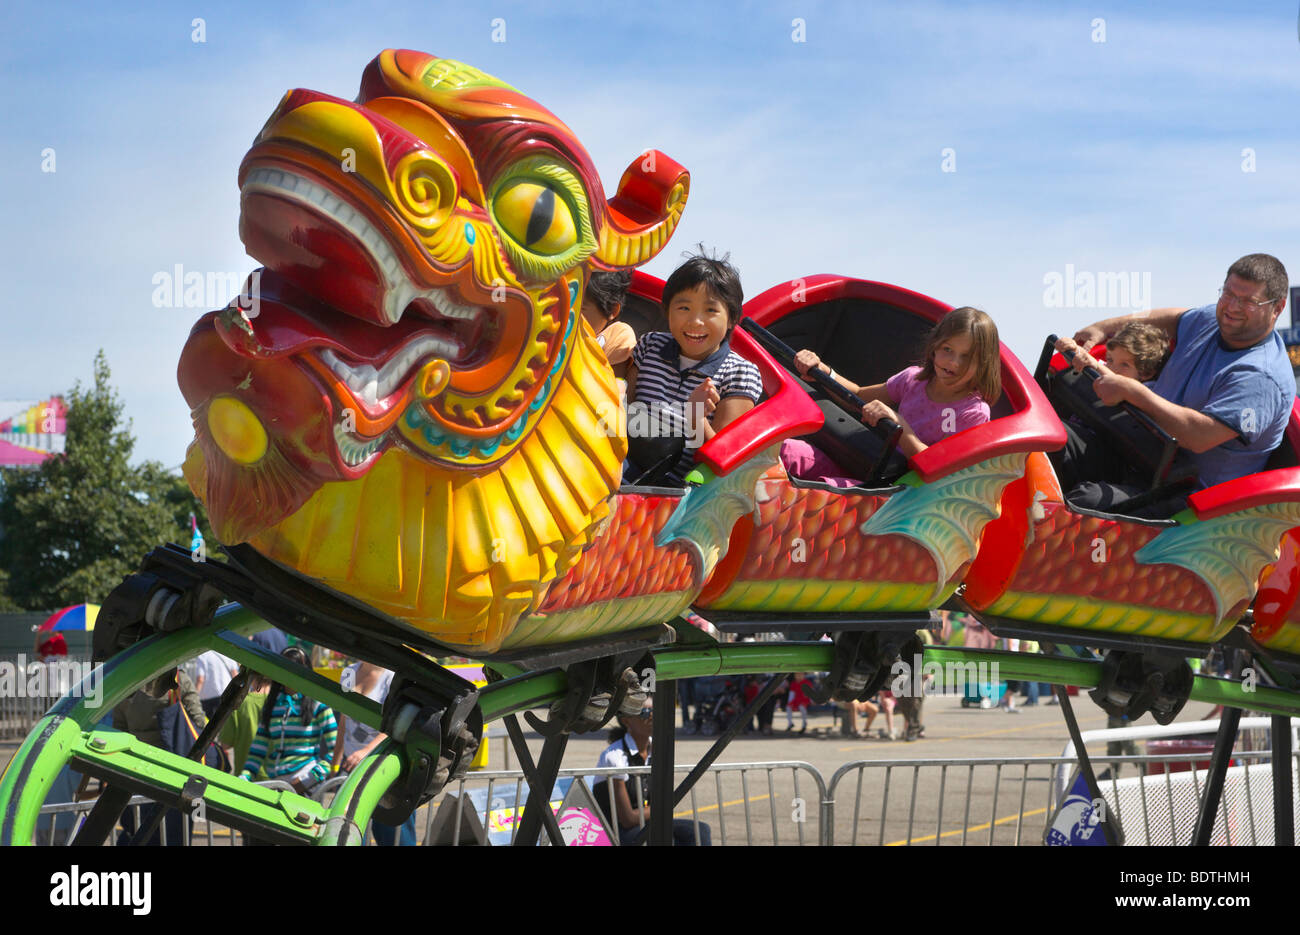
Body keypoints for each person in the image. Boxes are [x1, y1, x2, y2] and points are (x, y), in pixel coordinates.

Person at [1051, 254, 1294, 517]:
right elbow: (1176, 318)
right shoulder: (1212, 319)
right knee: (1054, 440)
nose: (1232, 307)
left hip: (1190, 499)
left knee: (1085, 504)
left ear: (1277, 308)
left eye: (1248, 301)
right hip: (1137, 452)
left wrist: (1134, 393)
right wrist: (1105, 327)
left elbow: (1199, 436)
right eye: (1228, 293)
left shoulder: (1260, 377)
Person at [781, 307, 1002, 484]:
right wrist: (823, 371)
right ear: (935, 346)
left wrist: (899, 426)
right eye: (948, 349)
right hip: (869, 463)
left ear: (983, 363)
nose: (954, 362)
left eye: (966, 357)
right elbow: (857, 395)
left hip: (900, 491)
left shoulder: (973, 412)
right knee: (785, 451)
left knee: (823, 492)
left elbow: (936, 468)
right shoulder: (913, 380)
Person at [624, 251, 764, 485]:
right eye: (684, 308)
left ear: (731, 319)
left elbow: (722, 462)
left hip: (674, 488)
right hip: (623, 458)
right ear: (667, 310)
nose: (695, 321)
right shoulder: (650, 345)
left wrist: (695, 418)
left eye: (710, 310)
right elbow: (624, 408)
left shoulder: (740, 373)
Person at [592, 700, 711, 845]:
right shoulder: (614, 756)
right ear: (626, 721)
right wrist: (663, 809)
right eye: (645, 713)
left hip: (647, 822)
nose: (653, 716)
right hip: (618, 831)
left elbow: (661, 804)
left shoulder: (657, 749)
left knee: (700, 830)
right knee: (665, 839)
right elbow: (628, 819)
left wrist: (662, 809)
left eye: (655, 710)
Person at [333, 660, 417, 845]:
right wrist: (336, 759)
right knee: (349, 836)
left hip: (384, 770)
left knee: (394, 838)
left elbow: (399, 725)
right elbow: (344, 719)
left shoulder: (393, 678)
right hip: (351, 767)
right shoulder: (349, 672)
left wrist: (367, 751)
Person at [239, 646, 337, 795]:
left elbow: (335, 750)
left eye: (294, 669)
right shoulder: (272, 704)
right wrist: (244, 777)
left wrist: (308, 780)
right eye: (283, 669)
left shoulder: (319, 704)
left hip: (306, 786)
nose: (288, 675)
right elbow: (257, 749)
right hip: (276, 784)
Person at [583, 269, 636, 382]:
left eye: (581, 309)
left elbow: (612, 388)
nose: (569, 313)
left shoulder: (618, 336)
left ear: (612, 310)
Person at [1102, 321, 1169, 383]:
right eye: (1110, 359)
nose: (1111, 369)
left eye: (1124, 364)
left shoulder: (1144, 392)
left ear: (1146, 373)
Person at [193, 649, 238, 719]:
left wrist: (194, 698)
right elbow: (235, 675)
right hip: (226, 695)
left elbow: (200, 680)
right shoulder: (227, 652)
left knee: (210, 726)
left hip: (207, 700)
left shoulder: (202, 655)